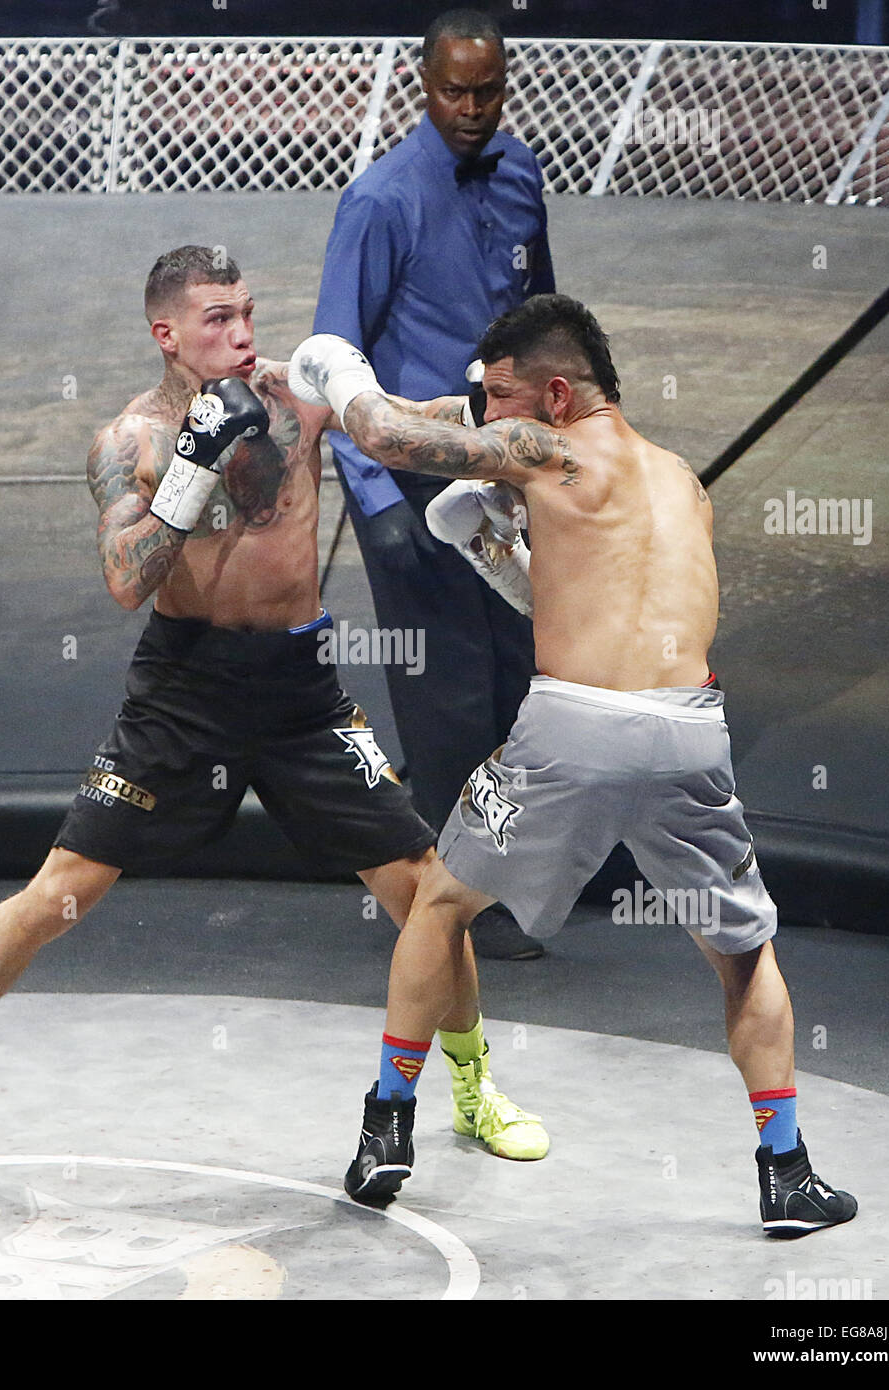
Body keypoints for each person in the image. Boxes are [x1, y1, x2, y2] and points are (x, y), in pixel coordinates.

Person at [0, 246, 549, 1187]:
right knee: (60, 893)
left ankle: (471, 1084)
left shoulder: (298, 402)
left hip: (301, 690)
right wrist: (189, 470)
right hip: (184, 690)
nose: (243, 333)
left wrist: (504, 411)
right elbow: (124, 581)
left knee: (426, 894)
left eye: (249, 311)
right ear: (165, 332)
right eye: (218, 317)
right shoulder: (126, 442)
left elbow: (407, 426)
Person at [287, 304, 858, 1234]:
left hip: (571, 731)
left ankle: (387, 1122)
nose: (488, 410)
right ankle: (786, 1173)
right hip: (689, 734)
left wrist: (330, 366)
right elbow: (600, 598)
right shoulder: (681, 481)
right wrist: (496, 547)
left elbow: (389, 435)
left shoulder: (546, 449)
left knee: (439, 902)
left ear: (555, 392)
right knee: (744, 955)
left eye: (501, 393)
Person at [312, 9, 554, 960]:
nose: (469, 108)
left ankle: (510, 872)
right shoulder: (380, 200)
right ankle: (460, 906)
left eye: (485, 89)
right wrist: (379, 511)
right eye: (452, 90)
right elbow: (334, 361)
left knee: (522, 671)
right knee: (447, 688)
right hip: (409, 492)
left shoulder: (524, 174)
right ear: (422, 84)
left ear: (504, 83)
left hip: (505, 473)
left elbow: (544, 322)